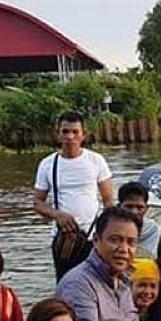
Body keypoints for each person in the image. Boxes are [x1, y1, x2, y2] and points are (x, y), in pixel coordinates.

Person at [32, 111, 114, 281]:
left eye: (75, 132)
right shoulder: (48, 164)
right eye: (65, 131)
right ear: (58, 134)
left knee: (98, 284)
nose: (70, 136)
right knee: (65, 285)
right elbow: (38, 202)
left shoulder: (96, 161)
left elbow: (108, 201)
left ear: (83, 135)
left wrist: (109, 233)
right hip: (64, 240)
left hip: (94, 238)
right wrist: (57, 215)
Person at [118, 180, 161, 258]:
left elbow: (159, 260)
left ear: (146, 209)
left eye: (139, 207)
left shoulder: (155, 230)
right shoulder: (109, 230)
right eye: (129, 206)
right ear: (119, 206)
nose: (134, 212)